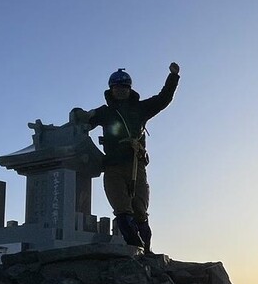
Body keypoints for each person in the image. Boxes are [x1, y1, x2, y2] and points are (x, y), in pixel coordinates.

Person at [71, 63, 179, 252]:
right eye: (117, 87)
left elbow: (164, 99)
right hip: (112, 167)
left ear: (130, 89)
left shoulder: (141, 108)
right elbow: (82, 119)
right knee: (121, 208)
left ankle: (146, 251)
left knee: (140, 210)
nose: (120, 91)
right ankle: (135, 247)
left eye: (124, 87)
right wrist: (78, 113)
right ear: (111, 89)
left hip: (136, 165)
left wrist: (173, 77)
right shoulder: (104, 112)